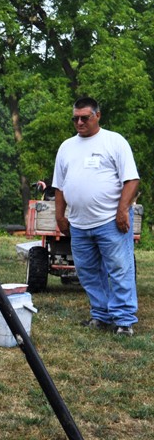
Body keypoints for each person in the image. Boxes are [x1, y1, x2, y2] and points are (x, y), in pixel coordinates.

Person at [52, 96, 139, 336]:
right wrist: (60, 216)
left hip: (111, 222)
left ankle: (123, 321)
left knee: (120, 270)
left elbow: (132, 180)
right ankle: (101, 315)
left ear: (97, 116)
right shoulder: (66, 147)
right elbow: (59, 186)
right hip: (79, 225)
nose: (79, 122)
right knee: (88, 272)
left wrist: (122, 210)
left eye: (84, 118)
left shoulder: (114, 141)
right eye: (75, 118)